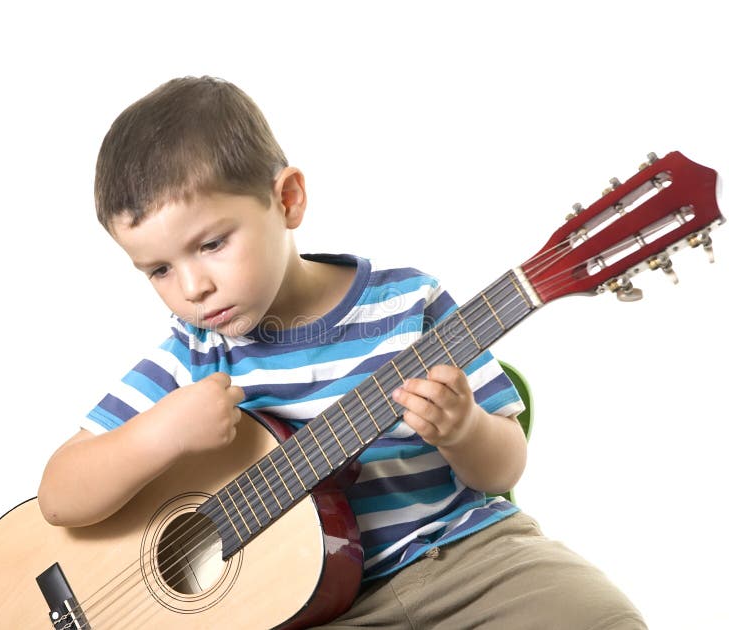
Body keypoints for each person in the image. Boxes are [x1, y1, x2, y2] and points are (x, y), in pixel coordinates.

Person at [37, 76, 646, 629]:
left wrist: (464, 430)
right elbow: (60, 497)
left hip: (465, 557)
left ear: (288, 199)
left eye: (213, 244)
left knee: (598, 619)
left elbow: (502, 470)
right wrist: (160, 434)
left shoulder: (409, 305)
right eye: (159, 270)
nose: (193, 288)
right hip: (313, 611)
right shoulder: (189, 359)